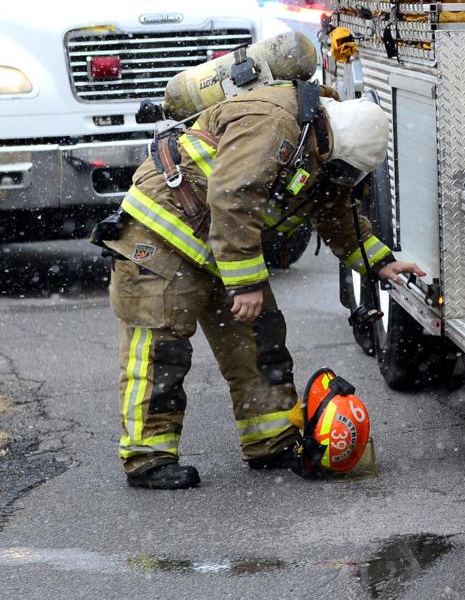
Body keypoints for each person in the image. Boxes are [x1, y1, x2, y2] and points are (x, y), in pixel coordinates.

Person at [97, 82, 421, 490]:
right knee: (162, 350)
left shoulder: (322, 145)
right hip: (162, 235)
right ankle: (148, 457)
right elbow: (233, 196)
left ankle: (270, 441)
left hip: (222, 244)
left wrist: (380, 262)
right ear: (330, 137)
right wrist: (246, 283)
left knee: (260, 339)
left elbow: (335, 210)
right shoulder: (276, 124)